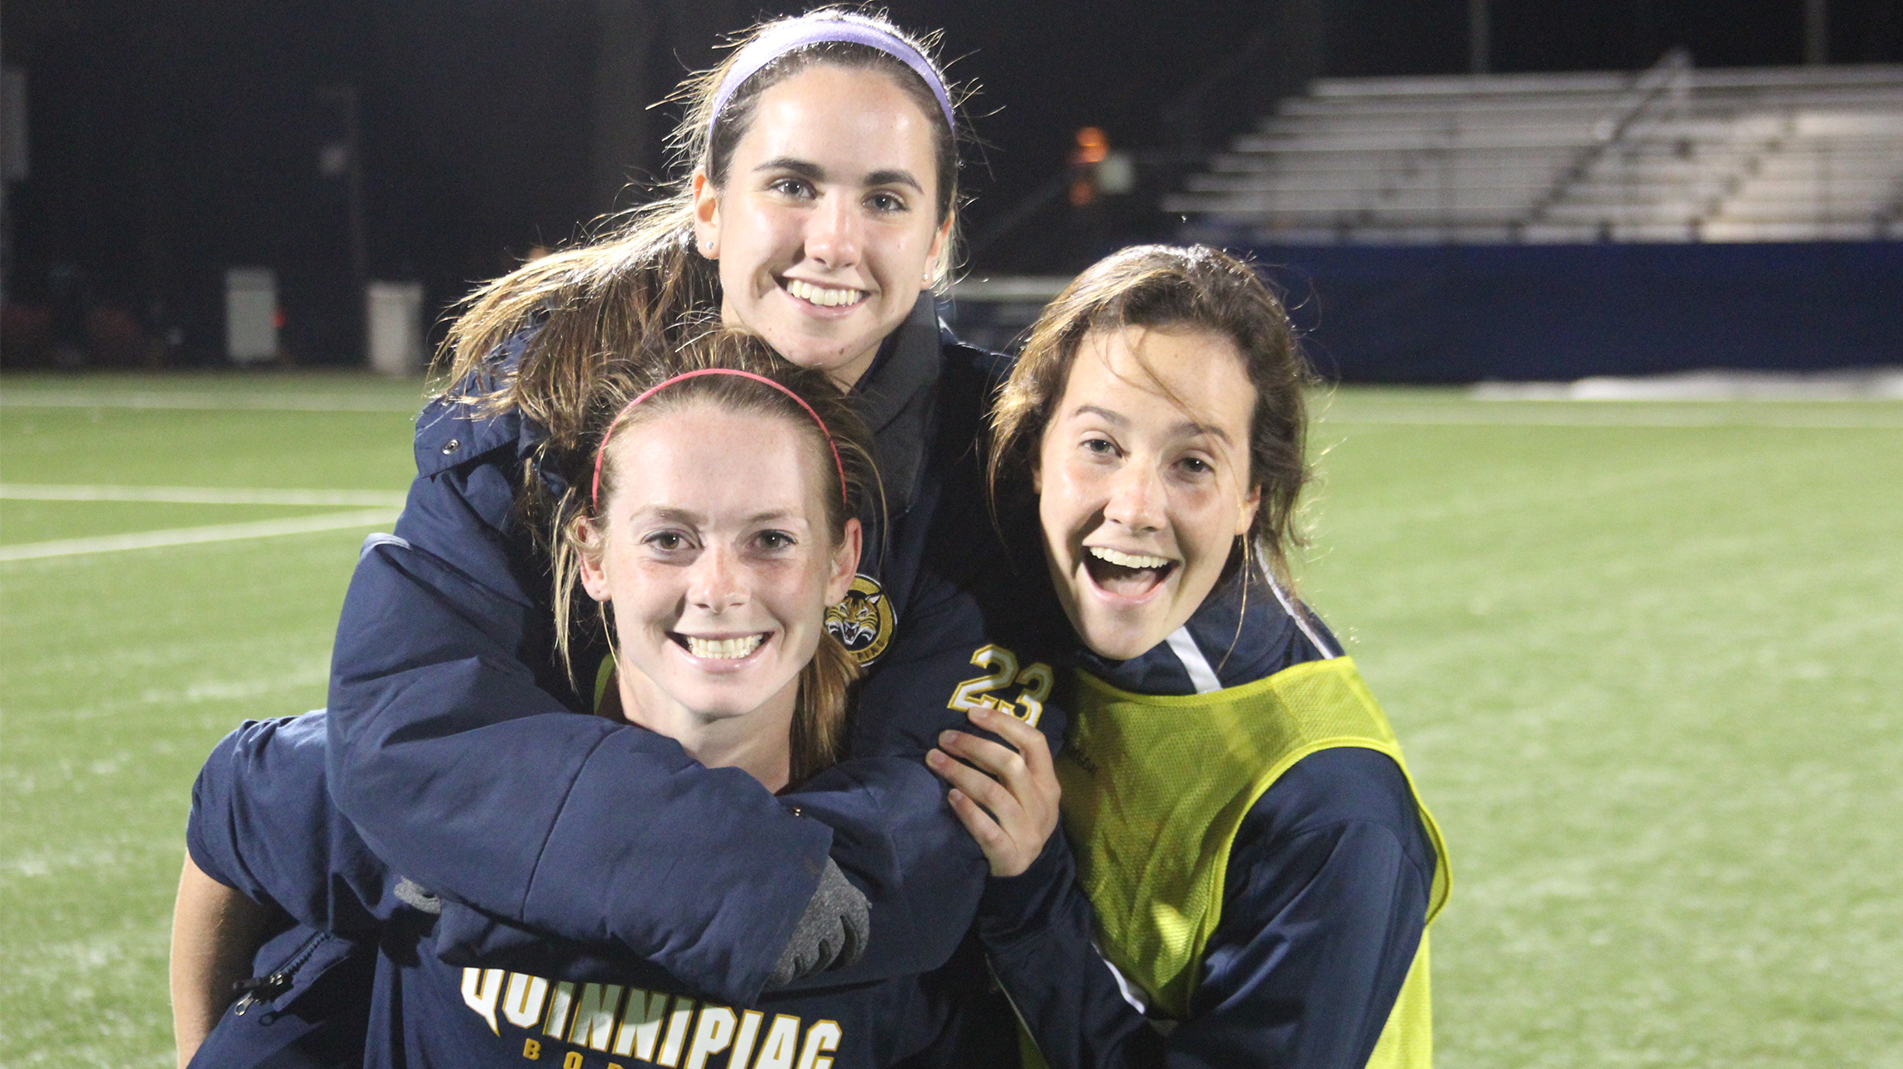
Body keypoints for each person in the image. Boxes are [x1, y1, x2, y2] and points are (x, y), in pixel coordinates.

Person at [176, 339, 1051, 1066]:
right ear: (591, 555)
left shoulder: (891, 876)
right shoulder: (441, 799)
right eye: (669, 538)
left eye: (771, 540)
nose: (719, 587)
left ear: (839, 563)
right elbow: (233, 802)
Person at [924, 245, 1453, 1068]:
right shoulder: (1016, 625)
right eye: (1100, 445)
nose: (1133, 507)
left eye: (1193, 463)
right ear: (1037, 455)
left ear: (1252, 497)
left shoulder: (1332, 808)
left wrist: (1030, 895)